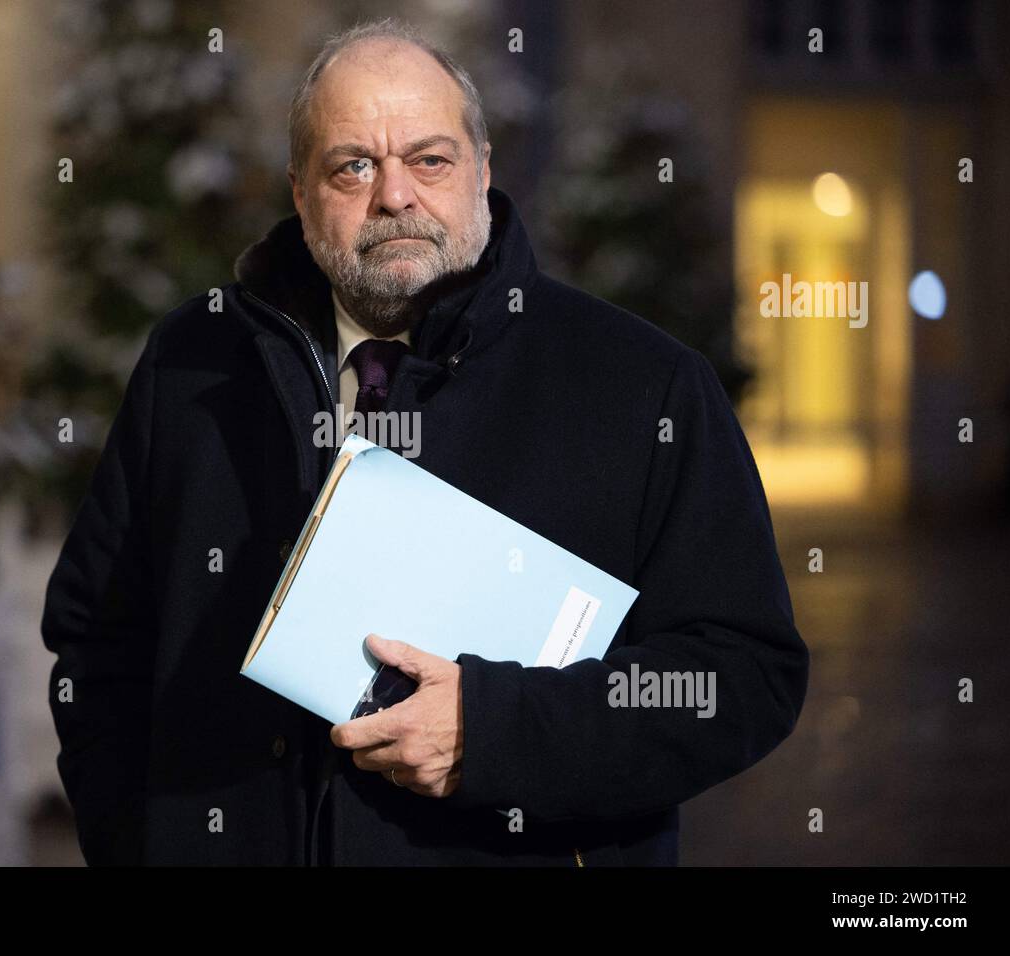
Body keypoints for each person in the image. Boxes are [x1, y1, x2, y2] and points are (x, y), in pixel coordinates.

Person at [40, 17, 808, 866]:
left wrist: (498, 730)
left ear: (482, 169)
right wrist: (137, 844)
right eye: (352, 165)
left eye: (429, 159)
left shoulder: (644, 387)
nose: (394, 195)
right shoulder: (193, 363)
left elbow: (740, 677)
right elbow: (98, 641)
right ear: (299, 191)